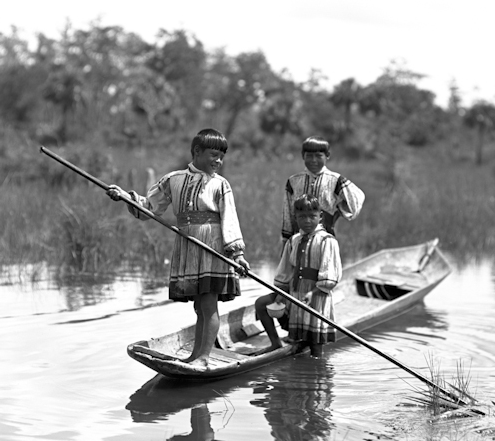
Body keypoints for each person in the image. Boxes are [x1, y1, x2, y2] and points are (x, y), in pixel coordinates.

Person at [107, 128, 250, 370]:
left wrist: (237, 253)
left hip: (212, 247)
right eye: (213, 154)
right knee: (198, 305)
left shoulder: (220, 184)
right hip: (188, 245)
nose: (218, 161)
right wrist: (123, 196)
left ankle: (204, 356)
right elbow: (149, 206)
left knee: (208, 303)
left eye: (221, 156)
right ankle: (195, 355)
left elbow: (230, 219)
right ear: (196, 151)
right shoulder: (173, 179)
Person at [256, 135, 363, 346]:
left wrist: (340, 212)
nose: (314, 160)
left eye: (319, 155)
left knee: (316, 292)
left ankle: (313, 332)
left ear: (327, 156)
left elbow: (356, 201)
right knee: (291, 285)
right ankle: (290, 332)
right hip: (296, 242)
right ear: (302, 156)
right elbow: (288, 213)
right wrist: (286, 242)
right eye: (309, 155)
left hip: (322, 242)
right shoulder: (293, 181)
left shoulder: (336, 180)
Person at [262, 194, 342, 357]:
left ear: (320, 217)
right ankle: (275, 343)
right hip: (294, 294)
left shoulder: (327, 241)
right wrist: (281, 293)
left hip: (316, 297)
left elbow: (330, 275)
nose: (307, 221)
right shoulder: (293, 241)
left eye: (312, 216)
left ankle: (317, 367)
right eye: (302, 217)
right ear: (295, 218)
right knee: (261, 304)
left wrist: (313, 293)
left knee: (315, 346)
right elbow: (285, 270)